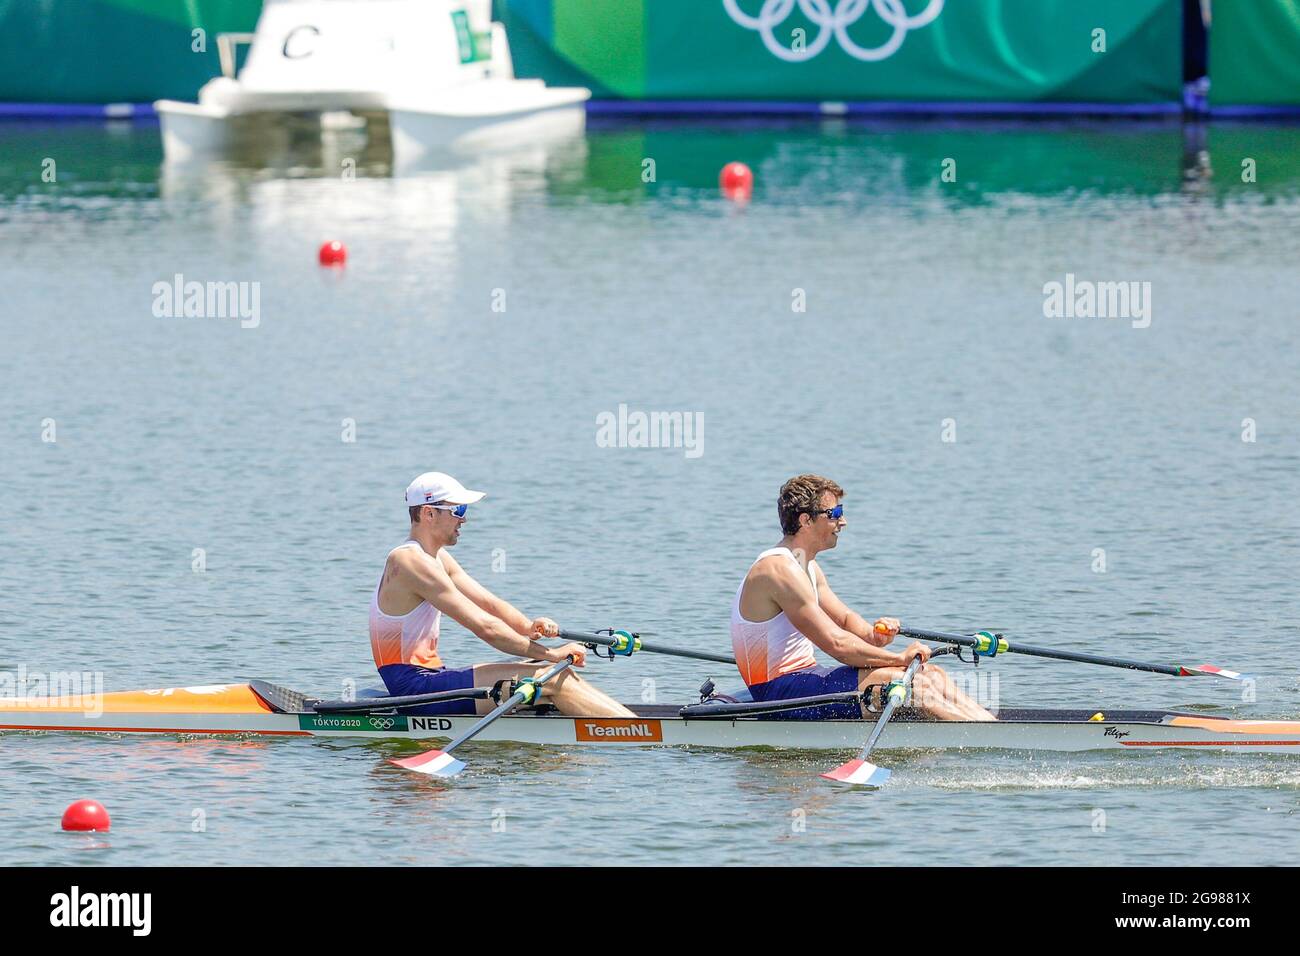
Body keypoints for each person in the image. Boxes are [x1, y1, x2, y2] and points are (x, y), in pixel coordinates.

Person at [731, 474, 995, 721]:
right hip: (780, 693)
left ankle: (992, 726)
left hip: (808, 677)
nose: (842, 522)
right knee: (911, 684)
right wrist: (900, 658)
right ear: (805, 520)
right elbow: (837, 645)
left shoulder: (807, 566)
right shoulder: (779, 570)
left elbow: (845, 620)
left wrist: (873, 636)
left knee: (932, 674)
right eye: (834, 513)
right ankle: (992, 740)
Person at [371, 471, 633, 717]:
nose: (464, 519)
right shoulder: (409, 562)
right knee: (552, 676)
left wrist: (529, 627)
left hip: (432, 676)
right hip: (414, 688)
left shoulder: (438, 559)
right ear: (428, 513)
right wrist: (552, 654)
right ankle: (642, 734)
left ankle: (632, 725)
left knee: (553, 675)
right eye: (458, 510)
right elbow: (486, 628)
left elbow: (491, 605)